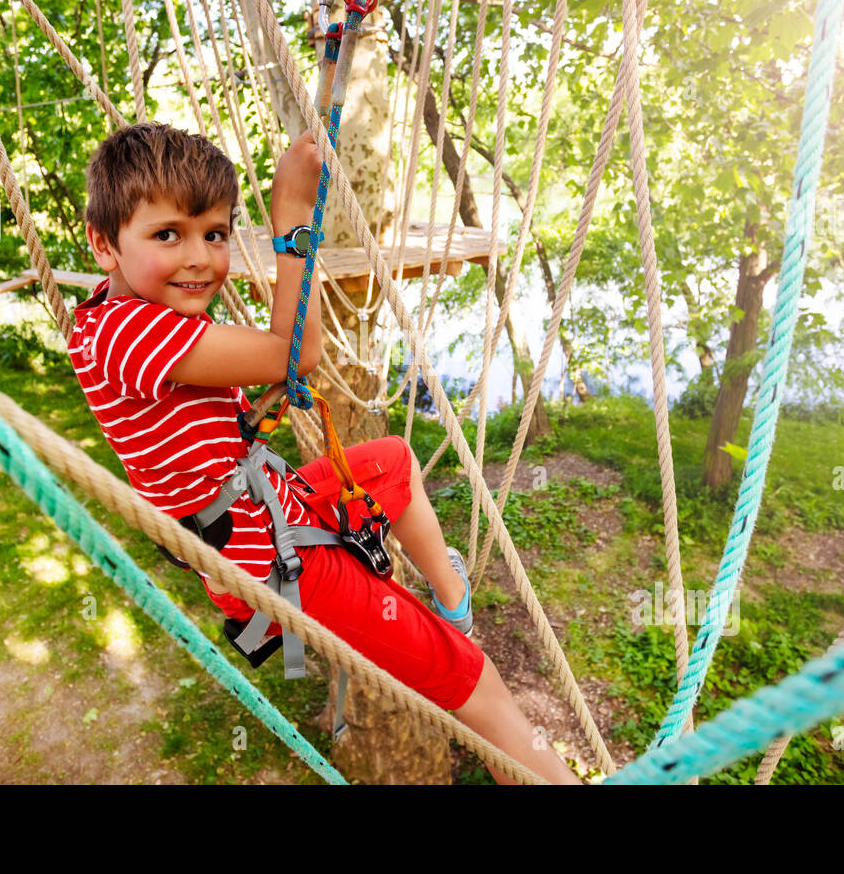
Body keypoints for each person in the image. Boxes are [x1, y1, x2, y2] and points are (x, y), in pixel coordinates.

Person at [69, 121, 580, 785]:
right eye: (169, 234)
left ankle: (452, 599)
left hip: (263, 510)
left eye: (214, 234)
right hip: (278, 565)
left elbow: (249, 368)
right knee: (474, 681)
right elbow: (296, 352)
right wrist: (293, 223)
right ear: (104, 244)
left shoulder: (113, 315)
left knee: (393, 461)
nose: (200, 258)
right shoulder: (132, 336)